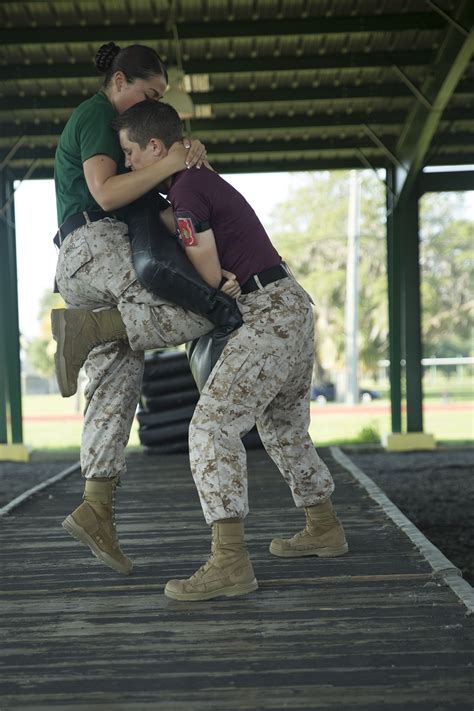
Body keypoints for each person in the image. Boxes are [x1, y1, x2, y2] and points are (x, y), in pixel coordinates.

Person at [112, 100, 349, 601]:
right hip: (289, 303)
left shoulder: (190, 187)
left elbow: (201, 254)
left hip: (267, 311)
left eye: (131, 152)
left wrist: (216, 280)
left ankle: (229, 562)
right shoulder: (195, 176)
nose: (128, 162)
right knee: (282, 425)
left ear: (155, 147)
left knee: (211, 426)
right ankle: (324, 526)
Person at [52, 42, 240, 577]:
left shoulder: (125, 141)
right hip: (96, 245)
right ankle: (90, 326)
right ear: (117, 82)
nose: (147, 103)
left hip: (86, 259)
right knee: (208, 310)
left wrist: (181, 161)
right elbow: (106, 194)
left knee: (117, 379)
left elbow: (154, 208)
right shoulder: (96, 114)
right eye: (147, 93)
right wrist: (175, 159)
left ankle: (97, 506)